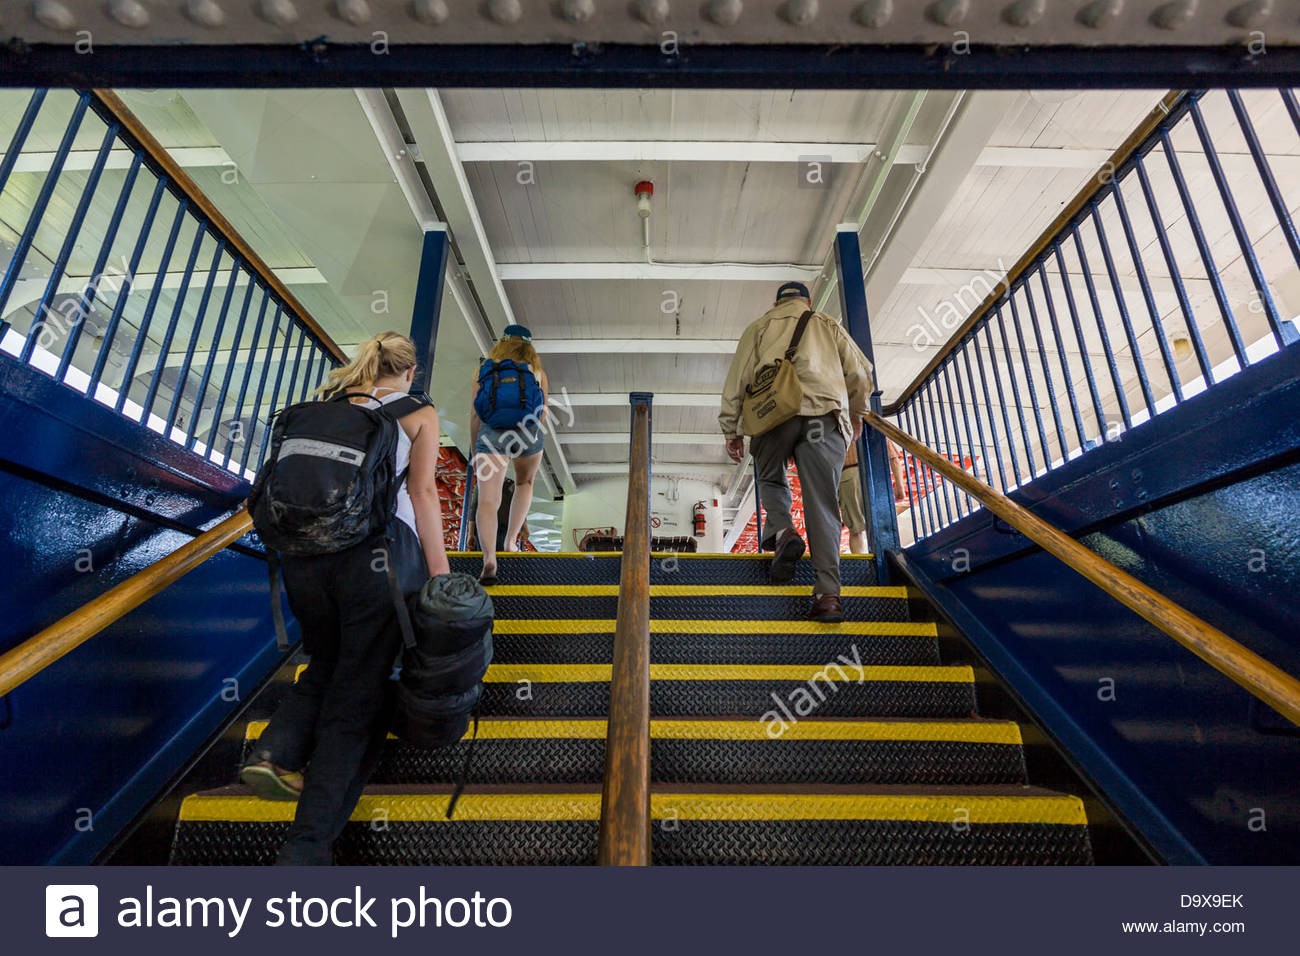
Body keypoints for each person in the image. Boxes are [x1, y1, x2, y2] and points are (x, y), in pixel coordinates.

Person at [240, 331, 451, 865]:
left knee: (326, 663)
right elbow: (424, 493)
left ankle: (276, 750)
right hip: (376, 558)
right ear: (409, 373)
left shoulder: (333, 406)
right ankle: (306, 848)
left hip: (305, 558)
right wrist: (441, 571)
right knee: (359, 694)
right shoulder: (418, 411)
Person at [720, 282, 873, 623]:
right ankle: (827, 595)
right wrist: (855, 415)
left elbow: (737, 383)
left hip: (774, 414)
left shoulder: (758, 328)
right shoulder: (825, 322)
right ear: (807, 301)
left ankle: (783, 530)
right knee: (822, 502)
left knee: (770, 477)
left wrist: (731, 430)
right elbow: (861, 375)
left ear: (775, 303)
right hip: (824, 416)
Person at [470, 324, 548, 585]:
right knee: (525, 482)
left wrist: (475, 448)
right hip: (528, 433)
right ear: (529, 345)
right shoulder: (536, 371)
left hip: (492, 433)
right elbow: (543, 413)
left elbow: (475, 414)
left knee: (488, 501)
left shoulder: (486, 369)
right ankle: (511, 541)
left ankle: (489, 558)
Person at [466, 476, 530, 551]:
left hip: (502, 530)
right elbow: (473, 508)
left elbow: (519, 506)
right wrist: (470, 533)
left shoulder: (512, 482)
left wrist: (524, 527)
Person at [839, 436, 869, 555]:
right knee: (872, 526)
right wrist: (899, 485)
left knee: (857, 529)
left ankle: (860, 558)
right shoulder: (874, 427)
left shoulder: (835, 430)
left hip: (846, 476)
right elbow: (893, 458)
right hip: (868, 474)